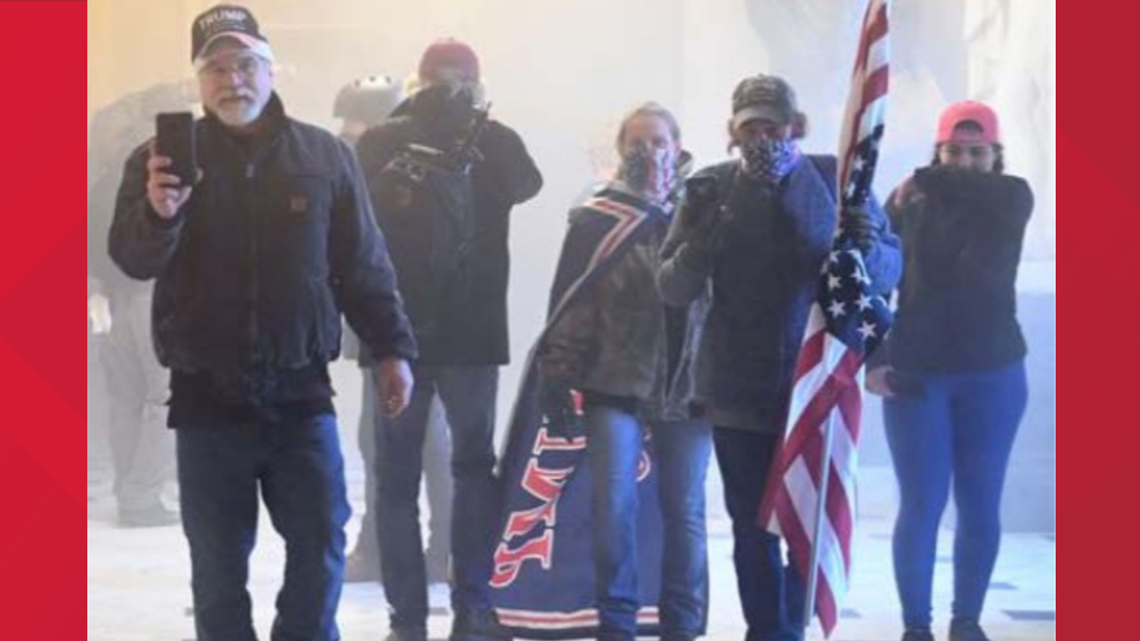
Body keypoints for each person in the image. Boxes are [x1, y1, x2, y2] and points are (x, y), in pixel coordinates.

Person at [108, 6, 417, 641]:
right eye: (215, 68)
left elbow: (362, 263)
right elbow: (131, 259)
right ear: (199, 81)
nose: (233, 80)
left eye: (245, 64)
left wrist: (392, 348)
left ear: (271, 70)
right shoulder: (159, 158)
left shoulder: (325, 156)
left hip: (300, 394)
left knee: (321, 543)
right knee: (218, 566)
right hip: (204, 399)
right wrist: (160, 212)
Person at [657, 74, 902, 641]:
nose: (762, 137)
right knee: (752, 528)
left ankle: (789, 626)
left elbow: (889, 270)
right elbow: (671, 287)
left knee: (805, 526)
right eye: (750, 127)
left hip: (813, 384)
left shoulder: (834, 181)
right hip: (736, 389)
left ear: (796, 126)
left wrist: (863, 243)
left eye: (773, 125)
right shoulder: (708, 189)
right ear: (731, 132)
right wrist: (705, 235)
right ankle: (768, 630)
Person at [357, 38, 543, 641]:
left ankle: (468, 609)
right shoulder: (387, 139)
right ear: (418, 82)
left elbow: (528, 183)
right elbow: (358, 195)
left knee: (461, 468)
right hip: (400, 331)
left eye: (460, 82)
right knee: (401, 476)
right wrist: (418, 120)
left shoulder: (492, 140)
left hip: (461, 331)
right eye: (442, 82)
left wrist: (471, 122)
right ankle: (412, 618)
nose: (450, 92)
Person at [538, 102, 712, 641]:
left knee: (684, 510)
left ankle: (682, 626)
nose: (648, 151)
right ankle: (617, 624)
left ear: (678, 147)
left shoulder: (705, 210)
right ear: (620, 150)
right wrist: (558, 373)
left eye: (658, 141)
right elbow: (571, 302)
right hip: (614, 379)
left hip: (687, 384)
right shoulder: (597, 216)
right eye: (636, 141)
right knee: (612, 506)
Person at [867, 101, 1034, 641]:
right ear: (939, 151)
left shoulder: (1012, 195)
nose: (964, 162)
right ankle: (917, 626)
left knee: (980, 500)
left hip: (993, 372)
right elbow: (870, 277)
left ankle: (967, 622)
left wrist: (925, 180)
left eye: (976, 152)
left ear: (995, 156)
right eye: (953, 151)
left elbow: (971, 193)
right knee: (921, 503)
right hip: (919, 371)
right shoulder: (909, 202)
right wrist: (872, 357)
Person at [332, 75, 455, 585]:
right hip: (384, 333)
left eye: (355, 122)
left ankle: (443, 549)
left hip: (408, 333)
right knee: (383, 443)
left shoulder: (402, 185)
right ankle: (389, 547)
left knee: (425, 444)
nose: (344, 133)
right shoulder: (371, 174)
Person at [88, 82, 191, 528]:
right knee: (167, 396)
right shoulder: (160, 172)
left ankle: (127, 487)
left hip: (113, 293)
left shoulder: (107, 168)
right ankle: (142, 495)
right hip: (153, 293)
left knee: (126, 399)